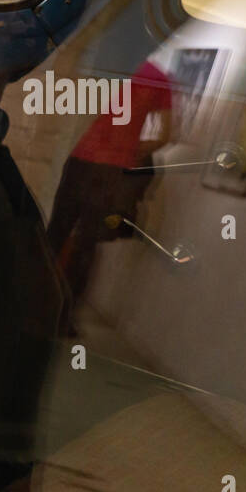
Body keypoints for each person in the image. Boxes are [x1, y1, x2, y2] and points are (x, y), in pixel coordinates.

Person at [46, 61, 175, 321]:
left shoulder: (110, 64)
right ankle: (64, 318)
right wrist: (130, 148)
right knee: (87, 243)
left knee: (56, 232)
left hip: (82, 159)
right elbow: (164, 136)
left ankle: (31, 303)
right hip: (113, 171)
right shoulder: (158, 77)